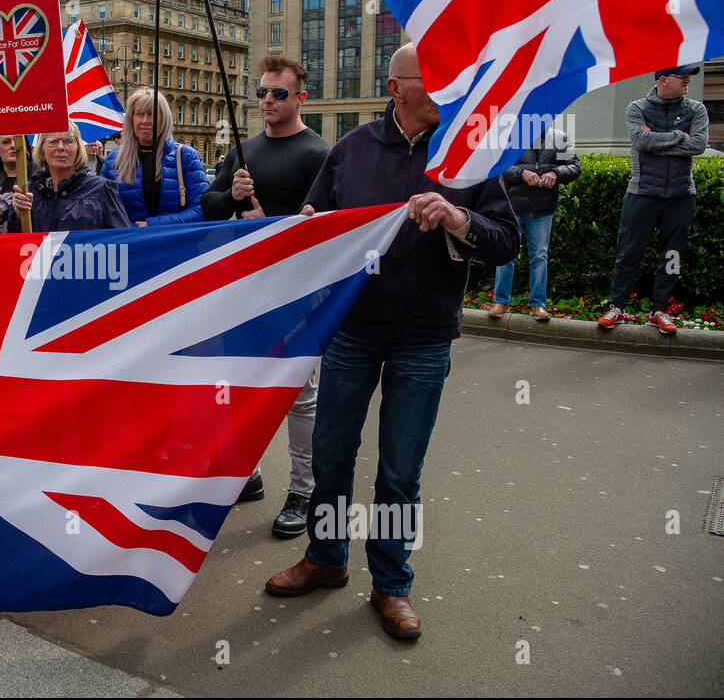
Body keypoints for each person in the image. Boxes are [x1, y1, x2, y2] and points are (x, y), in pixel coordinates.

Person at [264, 43, 519, 641]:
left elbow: (506, 239)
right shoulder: (351, 149)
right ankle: (326, 560)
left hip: (424, 337)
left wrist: (460, 219)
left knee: (401, 470)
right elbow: (317, 219)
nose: (446, 91)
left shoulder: (470, 151)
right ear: (395, 86)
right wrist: (305, 225)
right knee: (331, 457)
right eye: (432, 81)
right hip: (351, 331)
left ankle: (392, 585)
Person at [203, 56, 331, 536]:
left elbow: (328, 229)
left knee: (299, 396)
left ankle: (303, 488)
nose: (267, 101)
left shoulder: (318, 154)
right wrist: (233, 198)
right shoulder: (244, 150)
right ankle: (247, 473)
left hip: (296, 293)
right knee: (237, 385)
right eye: (261, 92)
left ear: (301, 97)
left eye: (278, 93)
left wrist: (272, 227)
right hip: (243, 291)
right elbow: (208, 208)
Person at [598, 65, 709, 336]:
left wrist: (656, 140)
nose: (687, 81)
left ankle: (660, 309)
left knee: (672, 256)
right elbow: (639, 139)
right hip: (642, 194)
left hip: (681, 196)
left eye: (688, 77)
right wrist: (677, 136)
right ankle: (617, 307)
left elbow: (698, 145)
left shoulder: (697, 109)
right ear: (662, 80)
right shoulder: (637, 107)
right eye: (681, 77)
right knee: (628, 252)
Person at [487, 127, 583, 322]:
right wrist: (521, 173)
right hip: (513, 208)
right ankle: (501, 301)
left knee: (540, 256)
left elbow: (574, 167)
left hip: (543, 208)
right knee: (506, 255)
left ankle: (538, 304)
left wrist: (556, 173)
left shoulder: (560, 137)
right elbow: (498, 166)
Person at [102, 88, 208, 226]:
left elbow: (202, 209)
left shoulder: (186, 156)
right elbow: (103, 211)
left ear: (164, 119)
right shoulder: (113, 160)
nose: (145, 120)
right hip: (130, 244)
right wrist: (131, 228)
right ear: (131, 119)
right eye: (139, 114)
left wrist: (153, 225)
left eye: (152, 114)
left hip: (175, 245)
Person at [10, 122, 131, 231]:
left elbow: (122, 241)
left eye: (68, 141)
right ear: (42, 151)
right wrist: (18, 217)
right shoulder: (28, 192)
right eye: (53, 141)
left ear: (79, 149)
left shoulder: (102, 189)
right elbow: (14, 247)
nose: (61, 147)